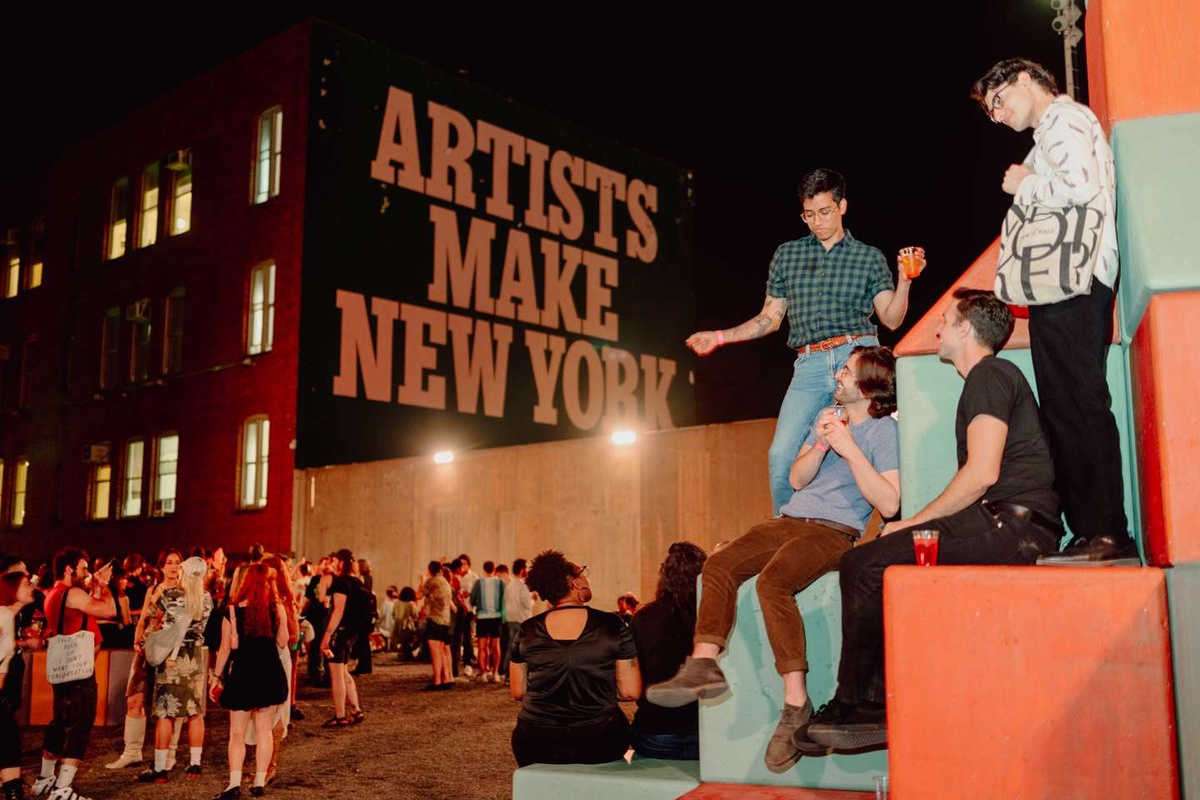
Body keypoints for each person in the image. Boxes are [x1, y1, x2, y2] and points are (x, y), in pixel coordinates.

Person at [796, 289, 1062, 754]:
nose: (937, 325)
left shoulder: (990, 373)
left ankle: (861, 704)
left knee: (862, 565)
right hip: (1006, 525)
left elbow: (982, 474)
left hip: (1013, 528)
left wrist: (910, 523)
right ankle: (868, 703)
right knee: (873, 564)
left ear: (965, 329)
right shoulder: (988, 378)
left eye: (945, 318)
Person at [647, 345, 901, 772]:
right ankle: (704, 664)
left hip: (833, 532)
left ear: (868, 384)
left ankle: (795, 703)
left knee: (773, 582)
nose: (837, 375)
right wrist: (821, 444)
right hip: (788, 518)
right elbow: (797, 479)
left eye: (846, 370)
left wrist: (850, 447)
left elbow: (890, 503)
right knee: (719, 563)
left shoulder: (883, 432)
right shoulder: (828, 418)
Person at [969, 58, 1135, 564]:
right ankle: (1092, 531)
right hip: (1066, 284)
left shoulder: (1064, 119)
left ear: (1023, 80)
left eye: (998, 102)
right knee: (1067, 407)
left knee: (1078, 405)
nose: (996, 116)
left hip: (1074, 282)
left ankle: (1105, 531)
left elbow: (1082, 188)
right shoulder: (1055, 130)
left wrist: (1026, 184)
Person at [686, 167, 916, 515]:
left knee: (879, 443)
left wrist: (905, 280)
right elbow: (769, 319)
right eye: (809, 215)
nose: (817, 222)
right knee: (781, 455)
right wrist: (720, 337)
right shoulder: (787, 255)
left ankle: (884, 528)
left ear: (842, 206)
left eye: (824, 212)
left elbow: (892, 318)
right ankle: (787, 528)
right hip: (809, 364)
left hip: (856, 360)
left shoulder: (868, 257)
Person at [509, 551, 640, 767]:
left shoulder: (527, 630)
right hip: (600, 738)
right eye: (584, 572)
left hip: (536, 739)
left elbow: (518, 691)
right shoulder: (611, 624)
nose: (587, 577)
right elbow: (630, 691)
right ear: (575, 582)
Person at [33, 547, 118, 800]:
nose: (86, 573)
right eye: (83, 568)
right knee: (79, 727)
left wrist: (95, 586)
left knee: (59, 723)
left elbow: (85, 607)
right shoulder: (72, 592)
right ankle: (62, 789)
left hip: (63, 670)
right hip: (79, 671)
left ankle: (46, 778)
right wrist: (105, 584)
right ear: (69, 569)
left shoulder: (54, 594)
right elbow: (109, 610)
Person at [209, 562, 290, 799]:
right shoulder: (276, 608)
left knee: (237, 733)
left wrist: (216, 676)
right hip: (270, 674)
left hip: (243, 674)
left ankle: (234, 784)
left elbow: (224, 649)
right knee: (264, 730)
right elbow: (283, 642)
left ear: (246, 583)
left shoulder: (232, 611)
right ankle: (259, 781)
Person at [630, 542, 708, 761]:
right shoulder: (710, 618)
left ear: (664, 577)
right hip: (704, 733)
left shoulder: (645, 618)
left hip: (655, 734)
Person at [138, 555, 213, 783]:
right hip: (194, 657)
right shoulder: (207, 599)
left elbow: (149, 618)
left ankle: (161, 768)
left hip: (171, 658)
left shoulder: (170, 596)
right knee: (194, 712)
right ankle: (195, 764)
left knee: (165, 712)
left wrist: (147, 640)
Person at [316, 549, 366, 727]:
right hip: (352, 633)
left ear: (341, 563)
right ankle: (356, 710)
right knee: (344, 672)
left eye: (334, 560)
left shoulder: (341, 584)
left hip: (339, 633)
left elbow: (338, 611)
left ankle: (340, 716)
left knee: (336, 675)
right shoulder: (356, 581)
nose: (331, 563)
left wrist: (327, 635)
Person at [0, 571, 36, 800]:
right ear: (12, 590)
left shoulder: (8, 617)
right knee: (9, 739)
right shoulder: (2, 616)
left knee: (8, 738)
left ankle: (13, 789)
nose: (31, 587)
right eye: (25, 584)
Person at [417, 561, 453, 689]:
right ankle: (446, 679)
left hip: (435, 619)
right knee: (442, 650)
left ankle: (437, 681)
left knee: (435, 651)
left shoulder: (431, 581)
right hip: (446, 620)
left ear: (430, 570)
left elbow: (418, 595)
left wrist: (421, 581)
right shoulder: (445, 581)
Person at [469, 561, 504, 683]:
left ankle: (483, 674)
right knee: (496, 645)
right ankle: (495, 673)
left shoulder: (479, 583)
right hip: (496, 616)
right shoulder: (500, 583)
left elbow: (472, 599)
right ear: (494, 570)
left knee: (482, 646)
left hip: (482, 617)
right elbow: (503, 599)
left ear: (484, 569)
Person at [500, 558, 532, 681]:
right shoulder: (523, 585)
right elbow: (527, 605)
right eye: (527, 567)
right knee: (524, 649)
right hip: (522, 620)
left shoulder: (509, 585)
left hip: (511, 619)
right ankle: (520, 676)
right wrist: (533, 599)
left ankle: (507, 674)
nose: (528, 570)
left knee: (511, 647)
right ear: (522, 569)